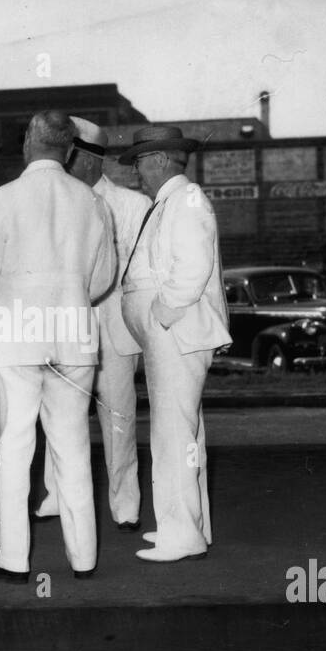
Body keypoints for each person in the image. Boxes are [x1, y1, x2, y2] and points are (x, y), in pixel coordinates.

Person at [0, 110, 116, 582]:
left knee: (14, 448)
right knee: (72, 447)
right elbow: (104, 278)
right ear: (69, 149)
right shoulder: (93, 202)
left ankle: (14, 558)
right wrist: (66, 295)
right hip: (72, 338)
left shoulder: (0, 200)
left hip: (13, 339)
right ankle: (84, 557)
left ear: (29, 141)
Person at [116, 126, 231, 562]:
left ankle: (181, 536)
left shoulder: (186, 200)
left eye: (141, 162)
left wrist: (161, 314)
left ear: (161, 160)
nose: (137, 172)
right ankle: (187, 525)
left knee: (171, 435)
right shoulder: (168, 203)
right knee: (182, 434)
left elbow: (194, 267)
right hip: (170, 333)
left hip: (175, 331)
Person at [36, 117, 151, 532]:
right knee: (60, 416)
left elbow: (139, 277)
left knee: (118, 421)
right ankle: (56, 496)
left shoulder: (132, 206)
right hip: (65, 330)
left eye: (69, 154)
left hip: (115, 333)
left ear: (87, 158)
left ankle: (125, 506)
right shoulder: (55, 201)